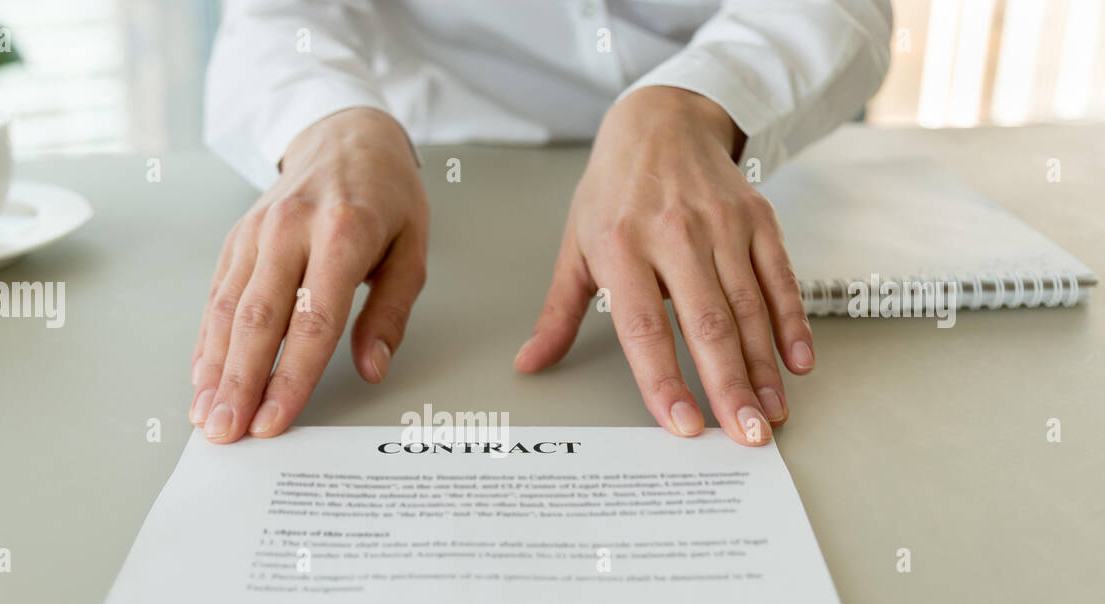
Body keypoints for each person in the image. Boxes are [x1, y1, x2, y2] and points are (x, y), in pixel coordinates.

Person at [193, 0, 892, 447]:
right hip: (441, 179)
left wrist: (691, 102)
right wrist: (329, 125)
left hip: (717, 166)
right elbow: (276, 18)